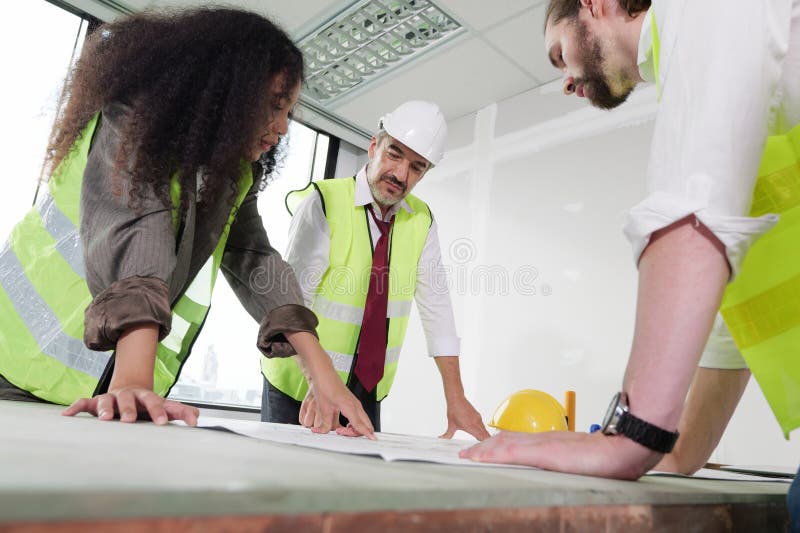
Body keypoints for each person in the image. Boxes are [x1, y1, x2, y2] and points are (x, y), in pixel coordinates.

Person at [460, 0, 799, 523]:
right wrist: (675, 449)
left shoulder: (703, 10)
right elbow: (735, 320)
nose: (567, 83)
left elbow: (694, 207)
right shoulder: (729, 85)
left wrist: (631, 436)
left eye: (559, 54)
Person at [0, 7, 374, 438]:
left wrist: (320, 372)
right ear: (223, 92)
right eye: (274, 106)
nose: (284, 128)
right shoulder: (133, 119)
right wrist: (135, 382)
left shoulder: (230, 176)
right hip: (14, 361)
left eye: (289, 111)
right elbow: (139, 226)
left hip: (95, 389)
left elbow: (254, 258)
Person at [261, 101, 489, 440]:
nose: (400, 174)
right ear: (373, 146)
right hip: (299, 386)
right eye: (394, 154)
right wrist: (316, 377)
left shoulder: (421, 221)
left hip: (366, 391)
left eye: (417, 166)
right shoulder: (324, 201)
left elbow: (437, 310)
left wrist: (455, 398)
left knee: (353, 489)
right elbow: (291, 304)